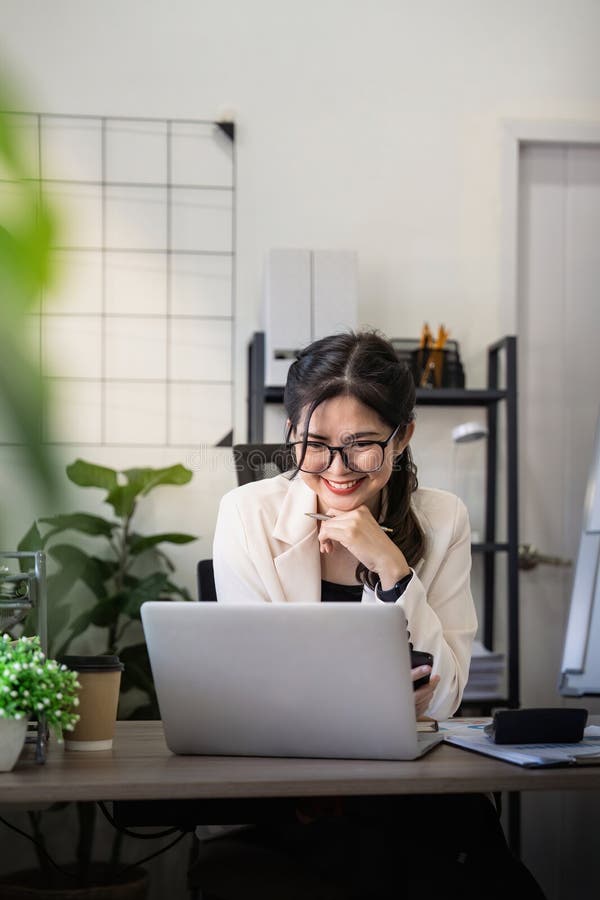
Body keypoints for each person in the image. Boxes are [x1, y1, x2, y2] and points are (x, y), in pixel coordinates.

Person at [192, 330, 547, 900]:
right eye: (315, 444)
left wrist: (390, 568)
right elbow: (252, 690)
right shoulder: (246, 513)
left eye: (362, 444)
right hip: (285, 792)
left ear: (402, 435)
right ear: (290, 435)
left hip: (402, 789)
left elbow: (448, 692)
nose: (338, 468)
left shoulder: (443, 519)